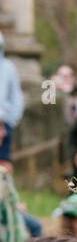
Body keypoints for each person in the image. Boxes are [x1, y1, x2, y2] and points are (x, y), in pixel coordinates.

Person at [0, 32, 25, 166]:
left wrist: (8, 121)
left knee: (3, 163)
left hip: (5, 123)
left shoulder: (8, 68)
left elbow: (16, 97)